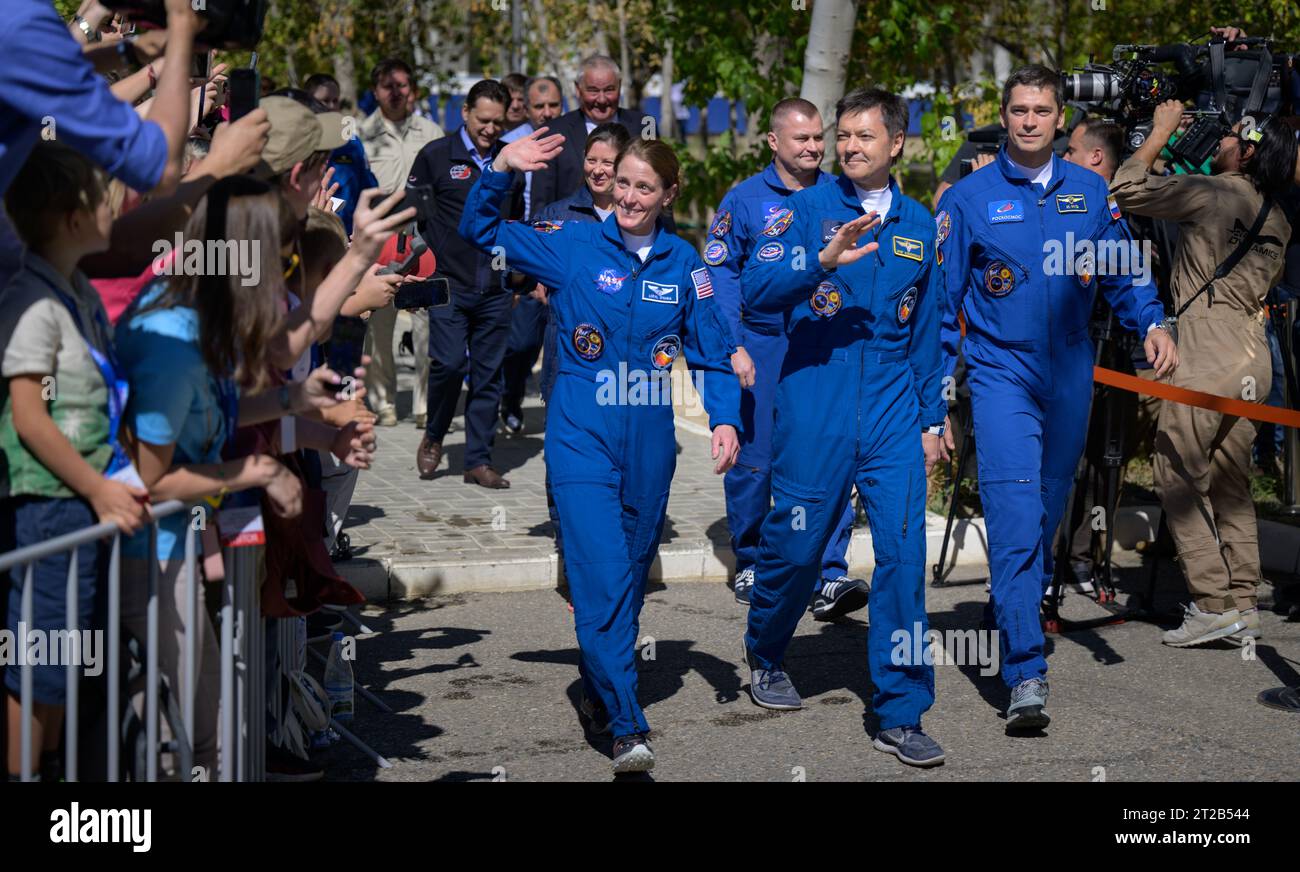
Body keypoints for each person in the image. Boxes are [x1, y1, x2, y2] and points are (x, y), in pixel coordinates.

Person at [460, 130, 741, 773]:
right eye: (623, 183)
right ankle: (625, 725)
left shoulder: (684, 264)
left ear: (669, 194)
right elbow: (482, 230)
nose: (631, 197)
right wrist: (500, 167)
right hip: (580, 430)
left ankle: (597, 683)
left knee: (630, 576)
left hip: (649, 436)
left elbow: (711, 353)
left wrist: (724, 420)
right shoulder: (574, 244)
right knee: (601, 572)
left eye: (646, 187)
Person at [936, 66, 1177, 732]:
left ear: (1059, 119)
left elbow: (1123, 269)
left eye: (1042, 110)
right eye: (1019, 110)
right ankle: (1025, 673)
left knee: (1045, 510)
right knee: (1014, 509)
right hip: (1000, 372)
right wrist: (936, 395)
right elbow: (941, 305)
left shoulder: (1089, 191)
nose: (1030, 120)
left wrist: (1152, 322)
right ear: (1006, 116)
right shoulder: (970, 199)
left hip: (1071, 370)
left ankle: (1006, 605)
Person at [738, 88, 947, 767]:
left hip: (891, 412)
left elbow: (927, 331)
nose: (850, 147)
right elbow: (755, 292)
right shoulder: (803, 211)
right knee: (796, 551)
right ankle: (767, 649)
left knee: (903, 558)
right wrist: (819, 261)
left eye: (865, 136)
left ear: (897, 145)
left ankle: (902, 707)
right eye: (844, 136)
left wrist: (933, 417)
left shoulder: (919, 223)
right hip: (815, 404)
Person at [1112, 101, 1297, 648]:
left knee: (1175, 472)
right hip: (1252, 355)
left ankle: (1212, 604)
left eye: (1232, 136)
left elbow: (1125, 189)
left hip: (1208, 350)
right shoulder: (1279, 217)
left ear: (1249, 150)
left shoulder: (1211, 192)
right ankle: (1244, 601)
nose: (1221, 140)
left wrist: (1163, 131)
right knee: (1230, 482)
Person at [1, 143, 149, 781]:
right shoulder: (32, 300)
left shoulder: (77, 290)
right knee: (40, 665)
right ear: (68, 217)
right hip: (53, 508)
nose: (113, 202)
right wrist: (99, 488)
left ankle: (54, 772)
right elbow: (29, 417)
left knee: (63, 666)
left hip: (83, 506)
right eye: (98, 194)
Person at [708, 97, 866, 617]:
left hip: (824, 343)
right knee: (756, 459)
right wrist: (733, 344)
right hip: (764, 346)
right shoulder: (746, 200)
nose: (815, 147)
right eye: (802, 139)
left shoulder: (843, 195)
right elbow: (720, 277)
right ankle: (752, 557)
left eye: (820, 137)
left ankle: (829, 573)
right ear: (774, 142)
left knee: (828, 453)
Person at [408, 79, 522, 488]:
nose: (490, 129)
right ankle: (435, 434)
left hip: (495, 287)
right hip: (448, 284)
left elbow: (516, 222)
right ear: (466, 113)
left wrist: (514, 277)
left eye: (498, 121)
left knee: (490, 375)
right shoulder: (436, 157)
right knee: (450, 363)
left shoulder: (513, 163)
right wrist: (426, 268)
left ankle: (477, 459)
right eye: (483, 120)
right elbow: (417, 214)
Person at [358, 58, 446, 428]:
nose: (396, 93)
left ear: (413, 90)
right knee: (381, 326)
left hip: (422, 238)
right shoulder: (361, 135)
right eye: (387, 86)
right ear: (376, 91)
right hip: (378, 239)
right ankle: (384, 402)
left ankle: (425, 405)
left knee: (427, 323)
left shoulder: (432, 132)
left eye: (402, 86)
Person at [528, 55, 656, 212]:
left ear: (620, 86)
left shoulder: (645, 125)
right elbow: (542, 200)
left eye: (609, 90)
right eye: (593, 90)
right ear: (578, 89)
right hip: (570, 231)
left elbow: (658, 185)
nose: (601, 100)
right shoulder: (553, 132)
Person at [304, 74, 379, 235]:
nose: (331, 106)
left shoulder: (351, 143)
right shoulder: (297, 143)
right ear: (308, 103)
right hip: (309, 234)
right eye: (325, 100)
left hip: (347, 237)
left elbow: (368, 188)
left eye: (335, 100)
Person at [501, 75, 566, 219]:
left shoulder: (575, 137)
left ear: (562, 104)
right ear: (526, 109)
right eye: (539, 106)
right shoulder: (508, 144)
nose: (547, 113)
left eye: (554, 105)